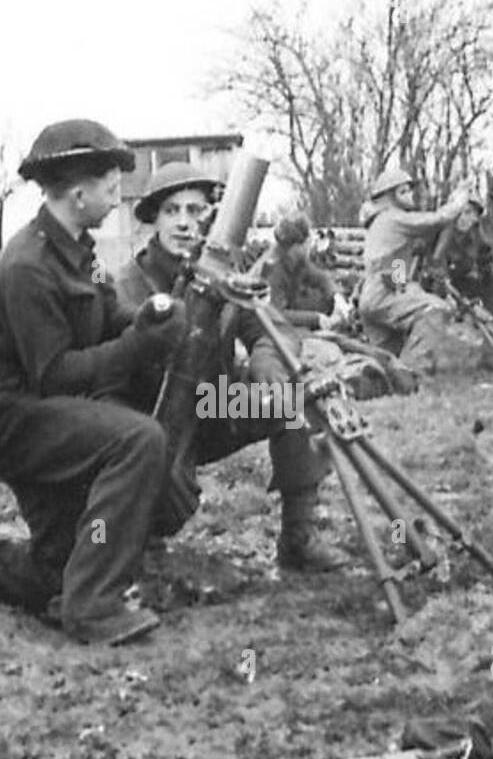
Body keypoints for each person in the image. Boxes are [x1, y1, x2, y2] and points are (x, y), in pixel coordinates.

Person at [0, 119, 186, 646]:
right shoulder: (26, 266)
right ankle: (93, 607)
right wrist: (139, 347)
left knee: (56, 569)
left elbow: (112, 312)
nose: (117, 197)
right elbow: (56, 374)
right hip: (13, 417)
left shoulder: (80, 251)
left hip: (42, 412)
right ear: (78, 194)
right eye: (109, 187)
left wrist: (152, 318)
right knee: (139, 438)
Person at [114, 163, 347, 572]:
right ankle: (141, 545)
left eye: (196, 211)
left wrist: (266, 363)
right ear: (154, 219)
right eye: (172, 211)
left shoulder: (223, 273)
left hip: (215, 405)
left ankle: (299, 538)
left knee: (293, 405)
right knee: (159, 487)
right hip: (156, 420)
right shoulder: (131, 283)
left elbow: (271, 326)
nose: (185, 223)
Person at [357, 168, 473, 371]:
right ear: (393, 196)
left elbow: (393, 265)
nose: (411, 195)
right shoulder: (393, 218)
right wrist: (459, 200)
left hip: (375, 294)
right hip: (380, 295)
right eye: (404, 191)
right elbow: (438, 219)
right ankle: (413, 372)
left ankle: (392, 378)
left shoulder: (381, 222)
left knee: (384, 363)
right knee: (437, 309)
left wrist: (413, 291)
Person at [250, 213, 347, 332]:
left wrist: (337, 298)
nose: (308, 247)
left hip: (283, 313)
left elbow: (321, 278)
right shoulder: (272, 269)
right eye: (306, 243)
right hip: (262, 326)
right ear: (296, 245)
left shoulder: (297, 259)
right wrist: (316, 319)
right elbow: (276, 314)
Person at [441, 199, 493, 327]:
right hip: (439, 286)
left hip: (460, 286)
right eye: (462, 212)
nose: (465, 218)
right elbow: (435, 269)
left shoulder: (478, 239)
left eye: (471, 214)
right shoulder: (438, 232)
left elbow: (489, 270)